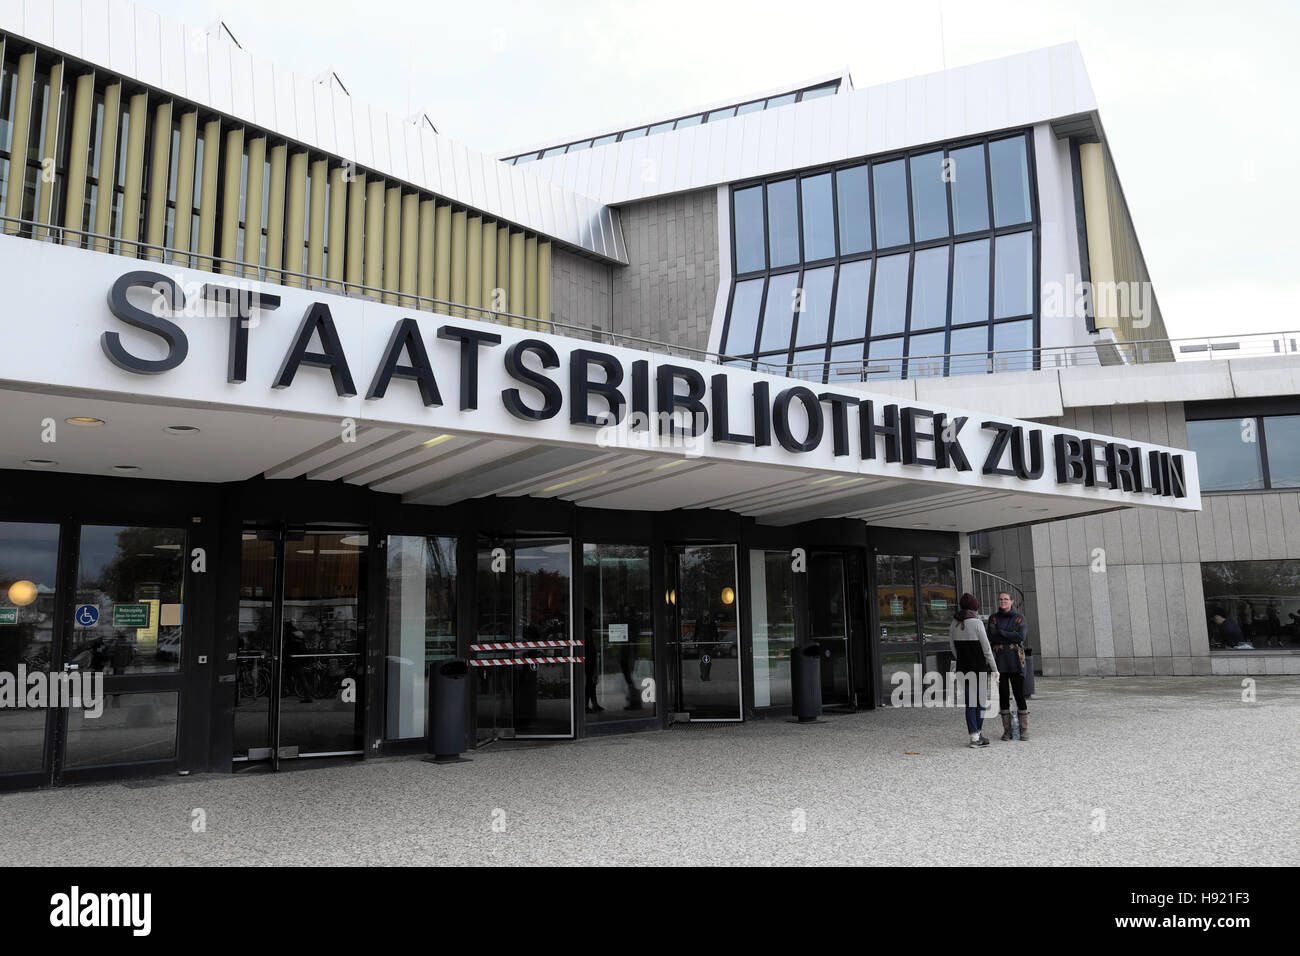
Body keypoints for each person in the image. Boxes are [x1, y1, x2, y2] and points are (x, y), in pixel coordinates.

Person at [950, 593, 996, 748]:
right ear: (975, 607)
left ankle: (974, 735)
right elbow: (987, 649)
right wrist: (994, 668)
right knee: (981, 703)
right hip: (979, 669)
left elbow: (952, 648)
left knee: (970, 703)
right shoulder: (977, 623)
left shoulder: (954, 623)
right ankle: (977, 735)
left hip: (963, 669)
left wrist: (961, 659)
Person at [987, 591, 1030, 741]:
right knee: (1003, 696)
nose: (1003, 601)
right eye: (1000, 599)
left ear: (1012, 601)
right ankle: (1007, 730)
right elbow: (991, 637)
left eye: (1006, 599)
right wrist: (1010, 634)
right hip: (999, 662)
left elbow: (1021, 636)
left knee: (1019, 695)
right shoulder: (993, 618)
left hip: (1016, 661)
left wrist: (1001, 633)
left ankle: (1024, 729)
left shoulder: (1019, 617)